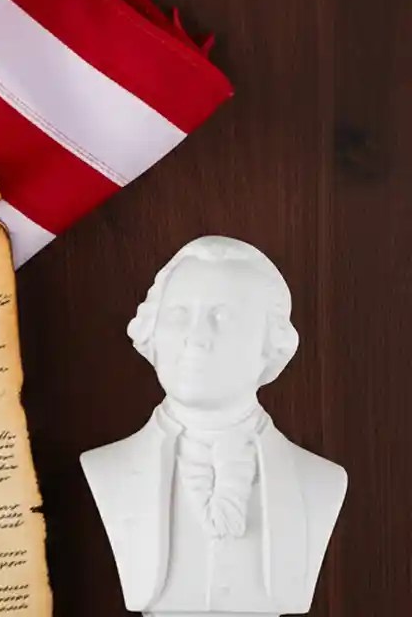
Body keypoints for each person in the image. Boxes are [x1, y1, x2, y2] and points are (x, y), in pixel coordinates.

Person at [81, 236, 346, 617]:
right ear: (150, 333)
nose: (197, 338)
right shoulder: (107, 470)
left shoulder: (320, 481)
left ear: (270, 346)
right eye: (178, 315)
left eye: (223, 317)